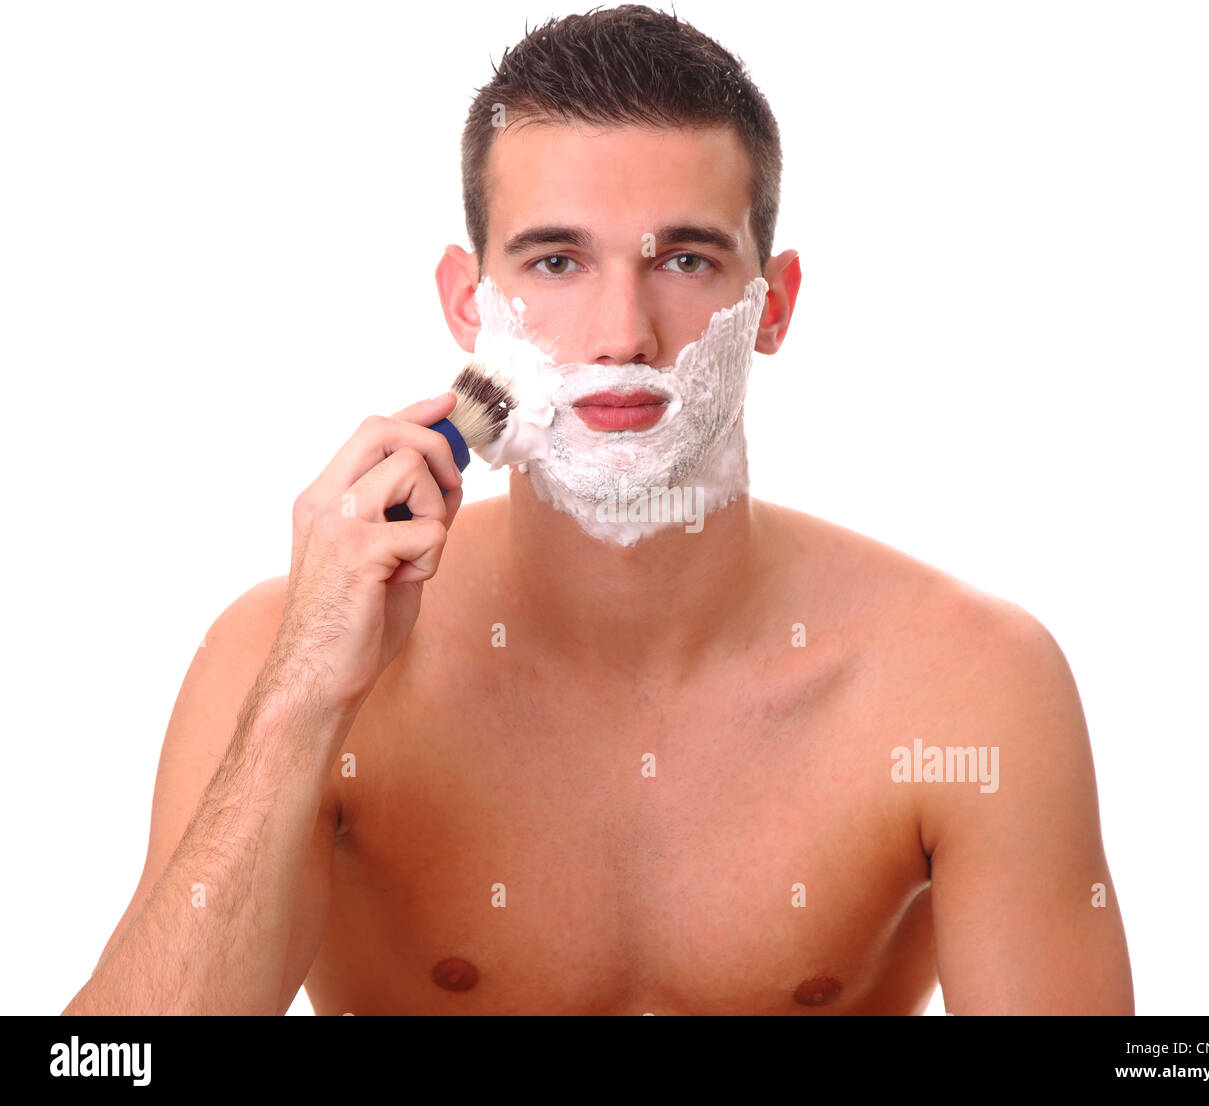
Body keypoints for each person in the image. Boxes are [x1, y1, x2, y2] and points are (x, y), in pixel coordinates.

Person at [64, 5, 1134, 1015]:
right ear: (466, 301)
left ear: (775, 304)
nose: (623, 331)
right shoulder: (278, 649)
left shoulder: (966, 681)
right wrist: (302, 690)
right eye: (558, 260)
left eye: (684, 258)